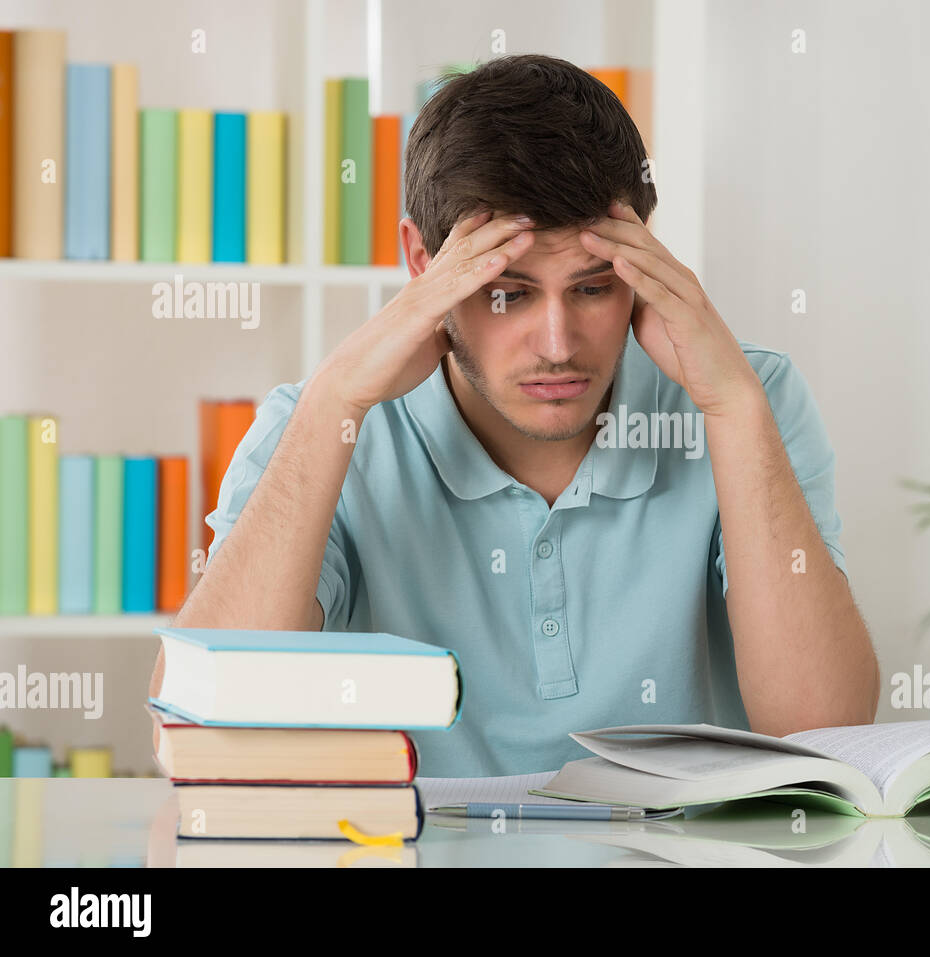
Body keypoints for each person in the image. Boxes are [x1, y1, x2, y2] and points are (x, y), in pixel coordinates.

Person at [149, 53, 878, 776]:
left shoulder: (749, 395)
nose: (558, 346)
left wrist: (733, 407)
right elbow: (193, 726)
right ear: (422, 262)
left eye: (594, 287)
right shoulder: (320, 423)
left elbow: (827, 733)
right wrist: (335, 401)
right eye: (510, 292)